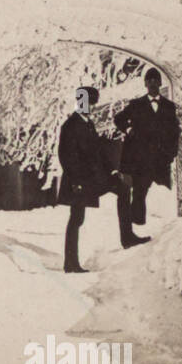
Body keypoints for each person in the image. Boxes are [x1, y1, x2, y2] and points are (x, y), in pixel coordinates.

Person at [57, 86, 120, 273]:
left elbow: (97, 151)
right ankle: (71, 263)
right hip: (77, 181)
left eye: (92, 103)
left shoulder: (88, 124)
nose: (90, 107)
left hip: (90, 179)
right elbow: (66, 156)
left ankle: (128, 237)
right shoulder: (70, 125)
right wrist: (76, 181)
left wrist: (112, 171)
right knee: (76, 219)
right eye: (86, 103)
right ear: (79, 103)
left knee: (122, 189)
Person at [113, 67, 180, 238]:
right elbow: (118, 119)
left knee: (163, 192)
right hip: (140, 159)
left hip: (160, 160)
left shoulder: (169, 107)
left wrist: (170, 154)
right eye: (149, 81)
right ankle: (139, 226)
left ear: (160, 83)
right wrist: (128, 129)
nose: (152, 84)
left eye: (155, 80)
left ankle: (166, 231)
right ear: (145, 84)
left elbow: (174, 132)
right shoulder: (136, 105)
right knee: (140, 192)